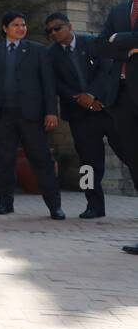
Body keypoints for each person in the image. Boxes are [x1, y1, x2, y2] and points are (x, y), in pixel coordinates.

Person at [0, 11, 64, 219]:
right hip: (2, 114)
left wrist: (51, 111)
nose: (21, 28)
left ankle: (54, 206)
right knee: (3, 160)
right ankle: (5, 203)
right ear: (5, 28)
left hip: (31, 115)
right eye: (16, 25)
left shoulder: (38, 51)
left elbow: (48, 85)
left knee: (42, 159)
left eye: (23, 25)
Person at [45, 12, 119, 219]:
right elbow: (55, 85)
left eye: (57, 28)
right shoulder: (50, 55)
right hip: (80, 116)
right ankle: (93, 206)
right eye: (49, 31)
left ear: (69, 26)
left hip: (108, 109)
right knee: (87, 165)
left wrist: (92, 95)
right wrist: (80, 99)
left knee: (131, 155)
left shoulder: (93, 42)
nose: (53, 33)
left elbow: (107, 70)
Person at [96, 0, 138, 254]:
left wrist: (120, 40)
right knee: (135, 163)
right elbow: (101, 46)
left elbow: (116, 41)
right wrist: (128, 43)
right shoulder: (119, 10)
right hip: (122, 97)